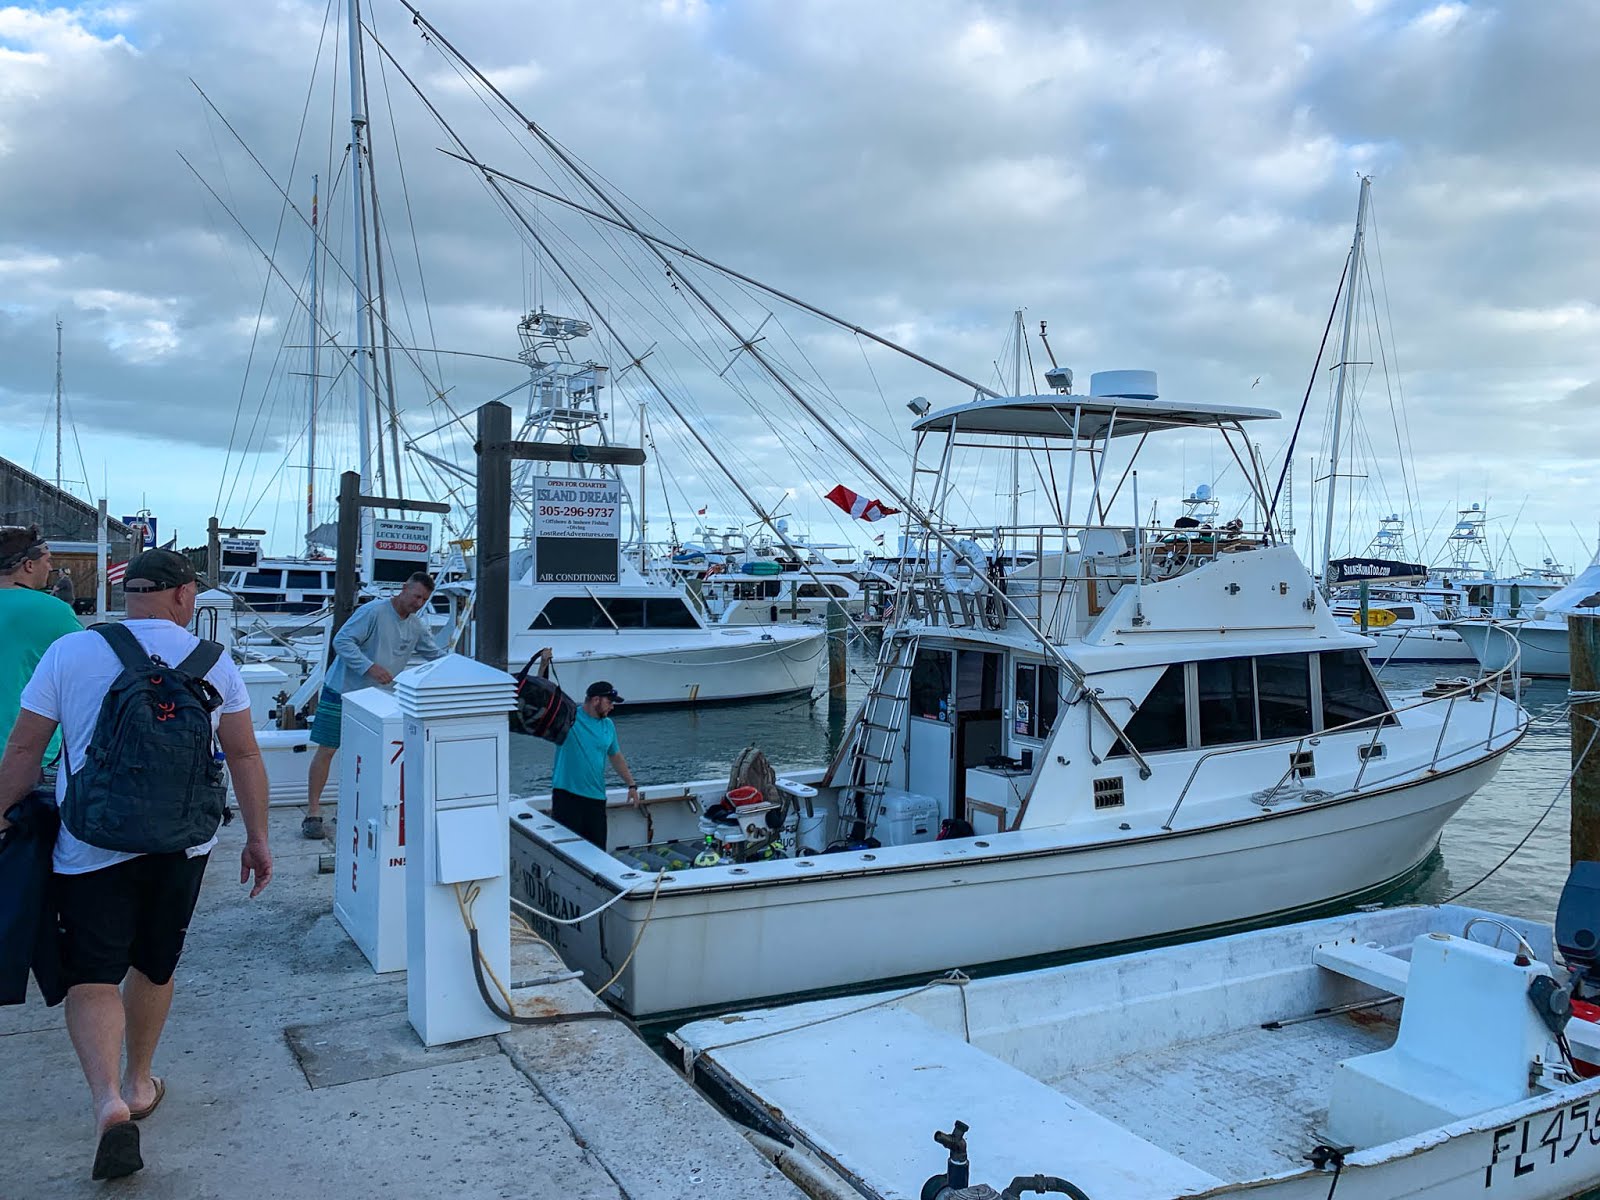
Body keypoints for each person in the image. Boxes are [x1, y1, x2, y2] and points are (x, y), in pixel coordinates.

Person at [0, 548, 272, 1181]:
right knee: (154, 963)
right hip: (183, 844)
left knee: (93, 974)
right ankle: (140, 1081)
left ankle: (108, 1104)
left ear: (130, 596)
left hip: (90, 843)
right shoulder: (213, 661)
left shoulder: (71, 652)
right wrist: (258, 838)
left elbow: (25, 749)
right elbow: (244, 756)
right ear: (184, 596)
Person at [304, 571, 445, 839]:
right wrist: (369, 667)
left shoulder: (416, 626)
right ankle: (312, 813)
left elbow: (434, 654)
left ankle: (351, 809)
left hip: (378, 701)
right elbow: (342, 641)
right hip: (342, 691)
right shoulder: (373, 611)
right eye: (416, 596)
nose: (418, 603)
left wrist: (461, 667)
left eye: (424, 600)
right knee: (327, 750)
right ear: (404, 588)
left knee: (368, 756)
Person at [0, 526, 83, 761]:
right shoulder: (52, 611)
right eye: (47, 561)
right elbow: (89, 667)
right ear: (29, 565)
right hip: (22, 752)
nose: (49, 568)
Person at [549, 674, 640, 849]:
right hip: (567, 796)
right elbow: (546, 702)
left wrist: (631, 785)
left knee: (597, 851)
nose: (612, 707)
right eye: (609, 702)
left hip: (596, 799)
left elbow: (615, 756)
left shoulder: (608, 725)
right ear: (596, 700)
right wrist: (544, 666)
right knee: (568, 851)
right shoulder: (569, 718)